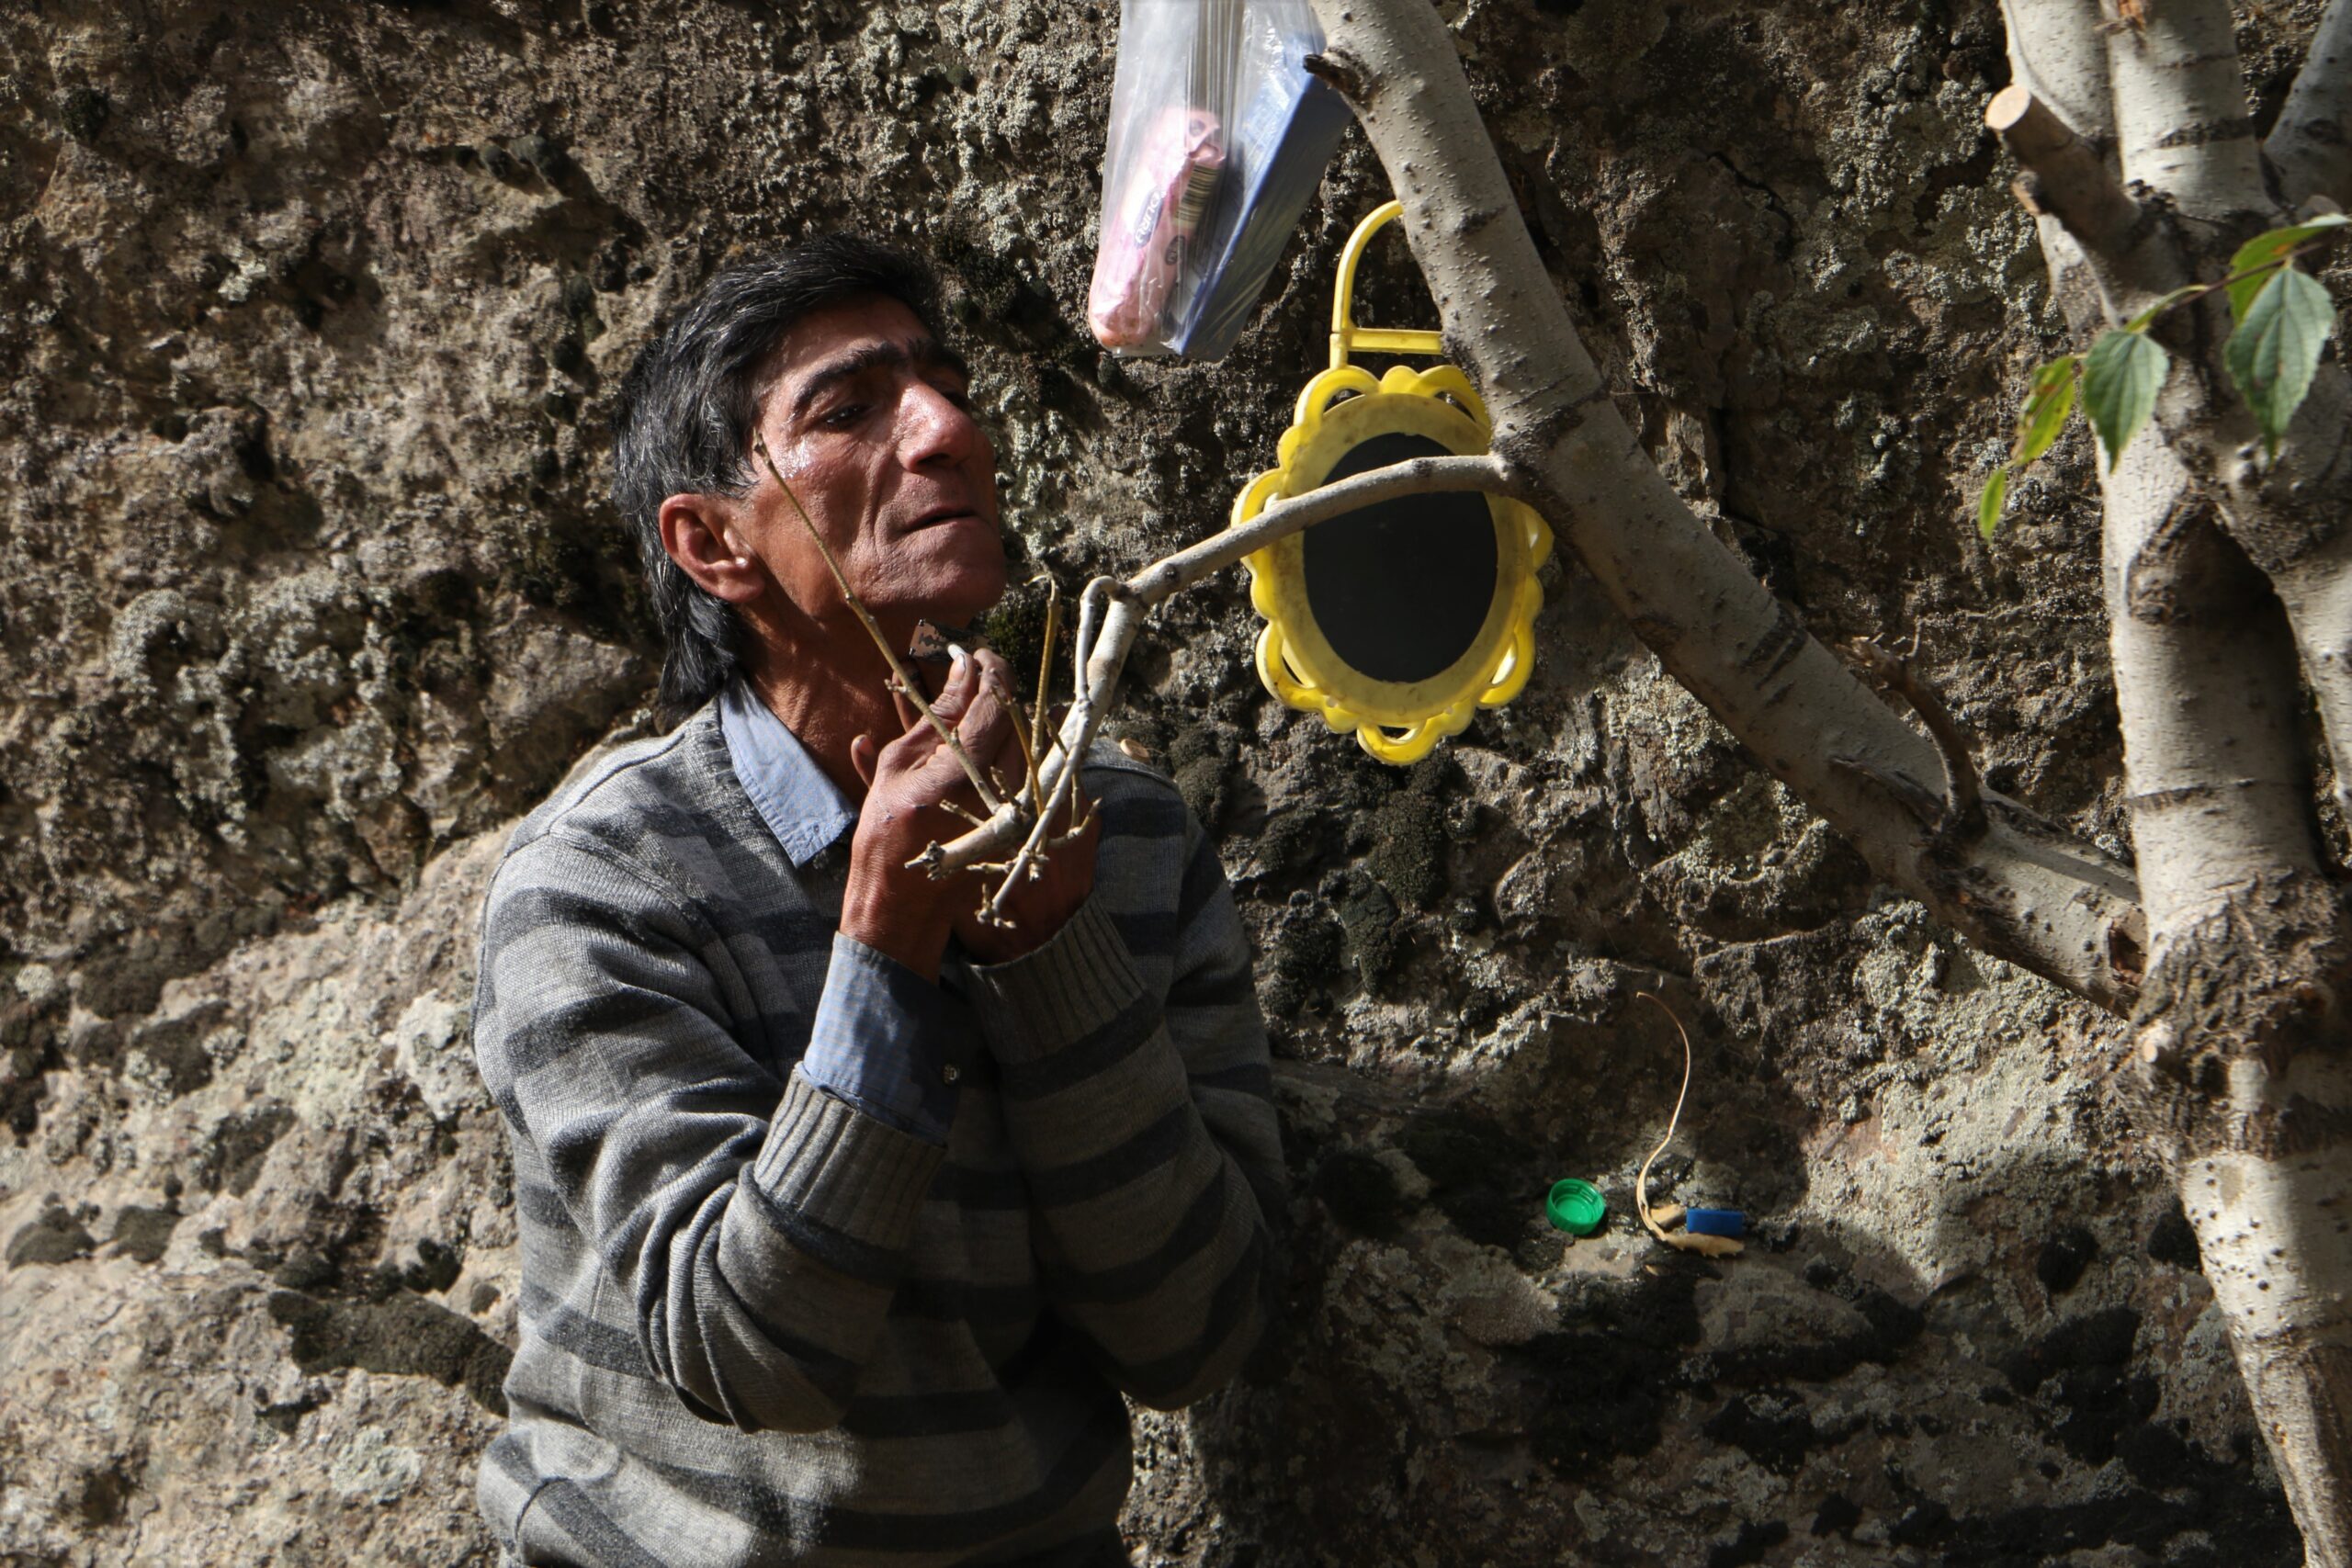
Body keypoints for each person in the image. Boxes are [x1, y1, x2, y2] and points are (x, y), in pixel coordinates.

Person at [469, 235, 1283, 1568]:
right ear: (712, 542)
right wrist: (887, 941)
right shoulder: (606, 881)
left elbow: (1196, 1336)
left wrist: (1052, 954)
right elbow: (751, 1356)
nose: (948, 433)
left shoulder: (1124, 836)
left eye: (949, 391)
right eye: (848, 410)